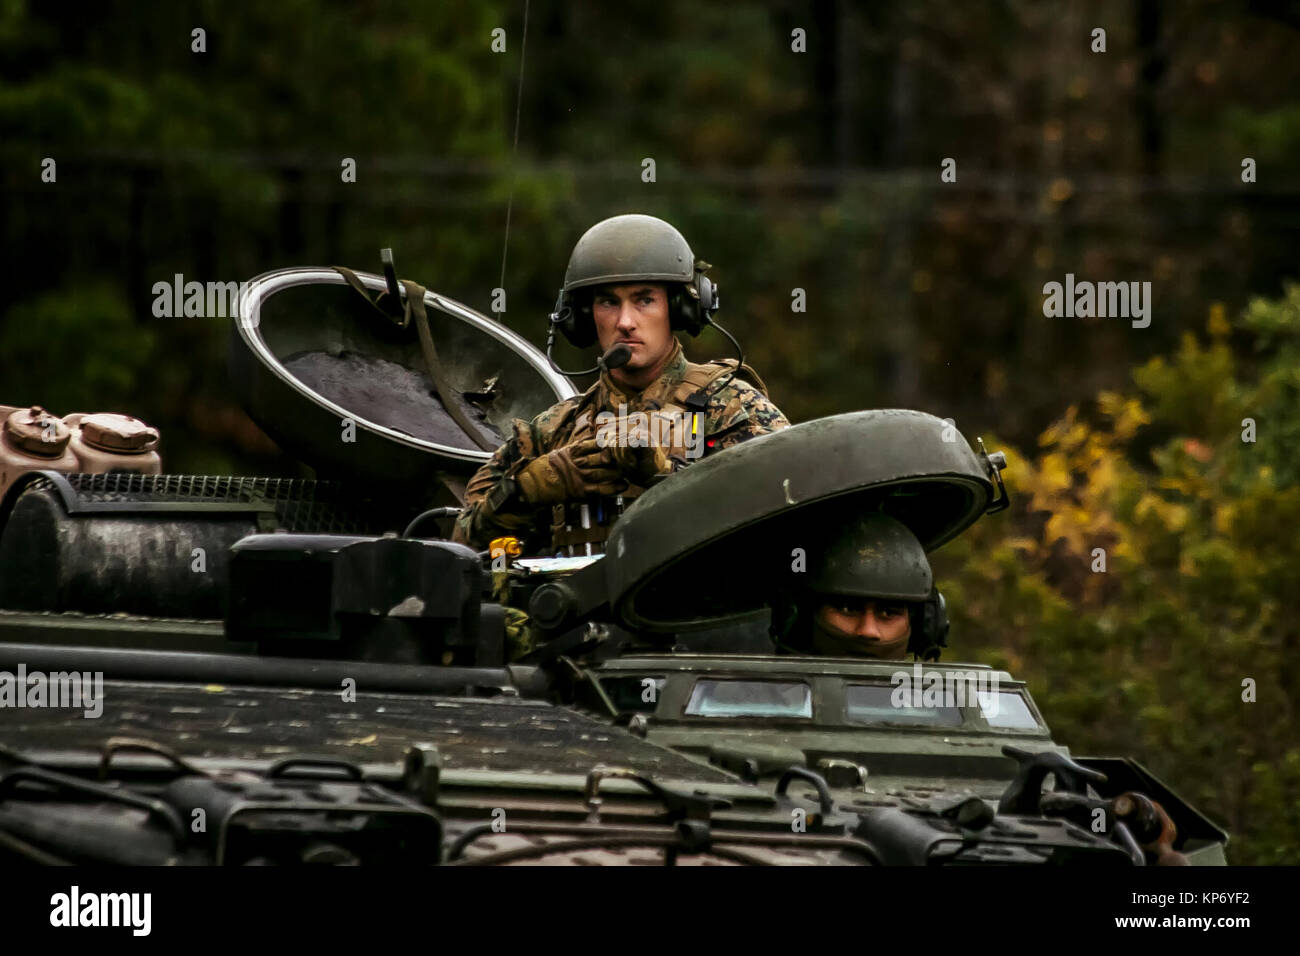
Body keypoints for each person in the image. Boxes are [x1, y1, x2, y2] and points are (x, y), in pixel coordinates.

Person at [452, 213, 789, 554]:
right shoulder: (552, 432)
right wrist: (529, 489)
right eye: (608, 302)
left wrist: (666, 476)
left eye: (644, 300)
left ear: (680, 308)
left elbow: (787, 518)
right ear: (585, 316)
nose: (626, 322)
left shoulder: (733, 409)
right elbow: (463, 545)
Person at [770, 512, 949, 660]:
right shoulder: (756, 699)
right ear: (802, 616)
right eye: (848, 609)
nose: (868, 631)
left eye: (888, 613)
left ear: (921, 625)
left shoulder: (942, 701)